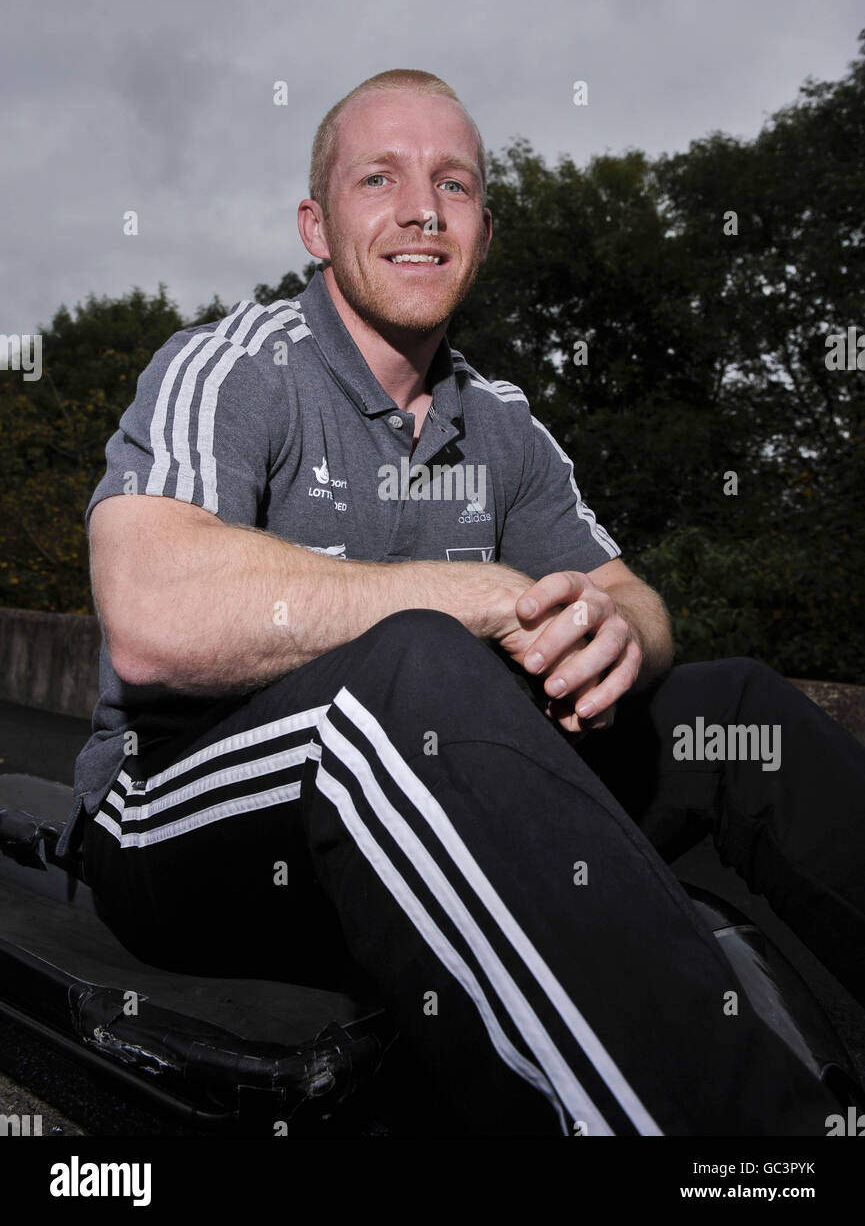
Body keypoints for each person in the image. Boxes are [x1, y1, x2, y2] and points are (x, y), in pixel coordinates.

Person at [56, 68, 865, 1137]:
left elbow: (632, 594)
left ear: (481, 227)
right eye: (377, 179)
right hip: (180, 814)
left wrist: (617, 629)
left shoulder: (502, 425)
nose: (422, 210)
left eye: (455, 184)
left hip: (425, 768)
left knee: (738, 712)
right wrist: (468, 594)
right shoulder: (234, 367)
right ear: (315, 222)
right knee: (418, 670)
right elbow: (152, 617)